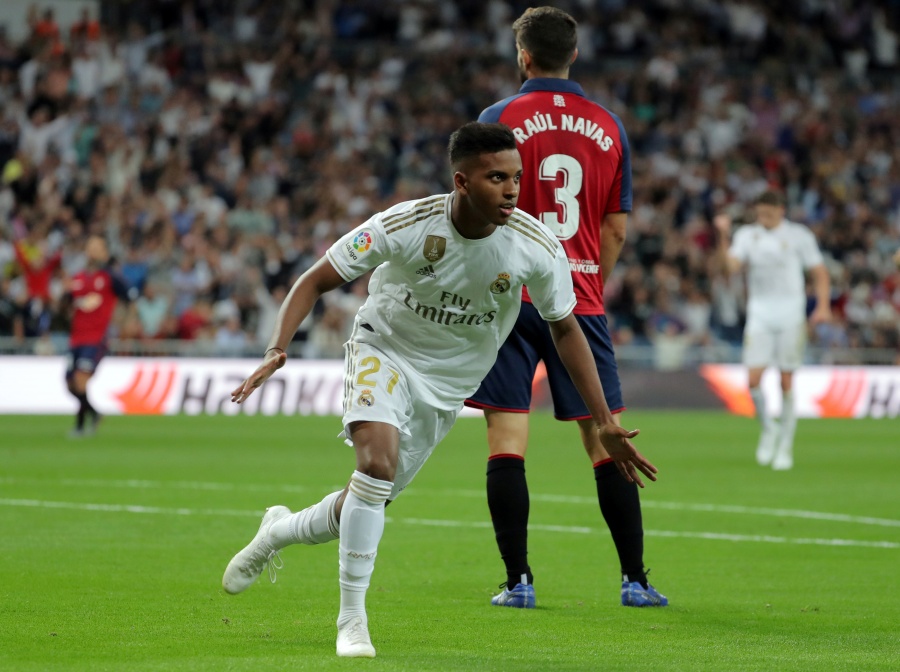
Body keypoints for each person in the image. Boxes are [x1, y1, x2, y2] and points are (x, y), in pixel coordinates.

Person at [222, 123, 658, 659]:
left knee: (366, 498)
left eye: (516, 178)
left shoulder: (536, 247)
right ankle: (352, 620)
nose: (512, 189)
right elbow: (315, 278)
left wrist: (604, 421)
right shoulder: (406, 223)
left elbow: (565, 327)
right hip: (384, 349)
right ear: (462, 181)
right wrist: (276, 347)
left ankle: (277, 533)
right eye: (496, 177)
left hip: (448, 386)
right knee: (375, 466)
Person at [464, 6, 667, 609]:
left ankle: (518, 583)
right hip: (578, 299)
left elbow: (474, 210)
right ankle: (635, 580)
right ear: (573, 54)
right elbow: (616, 228)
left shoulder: (499, 118)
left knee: (506, 437)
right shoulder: (608, 123)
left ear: (523, 56)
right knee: (605, 438)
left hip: (507, 297)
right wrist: (582, 287)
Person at [714, 190, 831, 470]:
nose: (763, 218)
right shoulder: (746, 236)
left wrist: (823, 306)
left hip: (791, 314)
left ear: (781, 210)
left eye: (768, 213)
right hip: (760, 314)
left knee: (786, 380)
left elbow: (820, 272)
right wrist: (723, 236)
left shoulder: (799, 236)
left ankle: (785, 447)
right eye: (760, 213)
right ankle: (769, 429)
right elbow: (729, 267)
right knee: (753, 380)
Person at [64, 235, 133, 437]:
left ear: (104, 252)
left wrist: (125, 324)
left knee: (80, 379)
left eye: (97, 247)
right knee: (69, 384)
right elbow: (65, 304)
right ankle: (94, 414)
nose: (93, 250)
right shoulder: (77, 278)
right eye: (90, 245)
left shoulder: (111, 277)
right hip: (76, 338)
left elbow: (130, 299)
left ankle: (79, 427)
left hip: (96, 338)